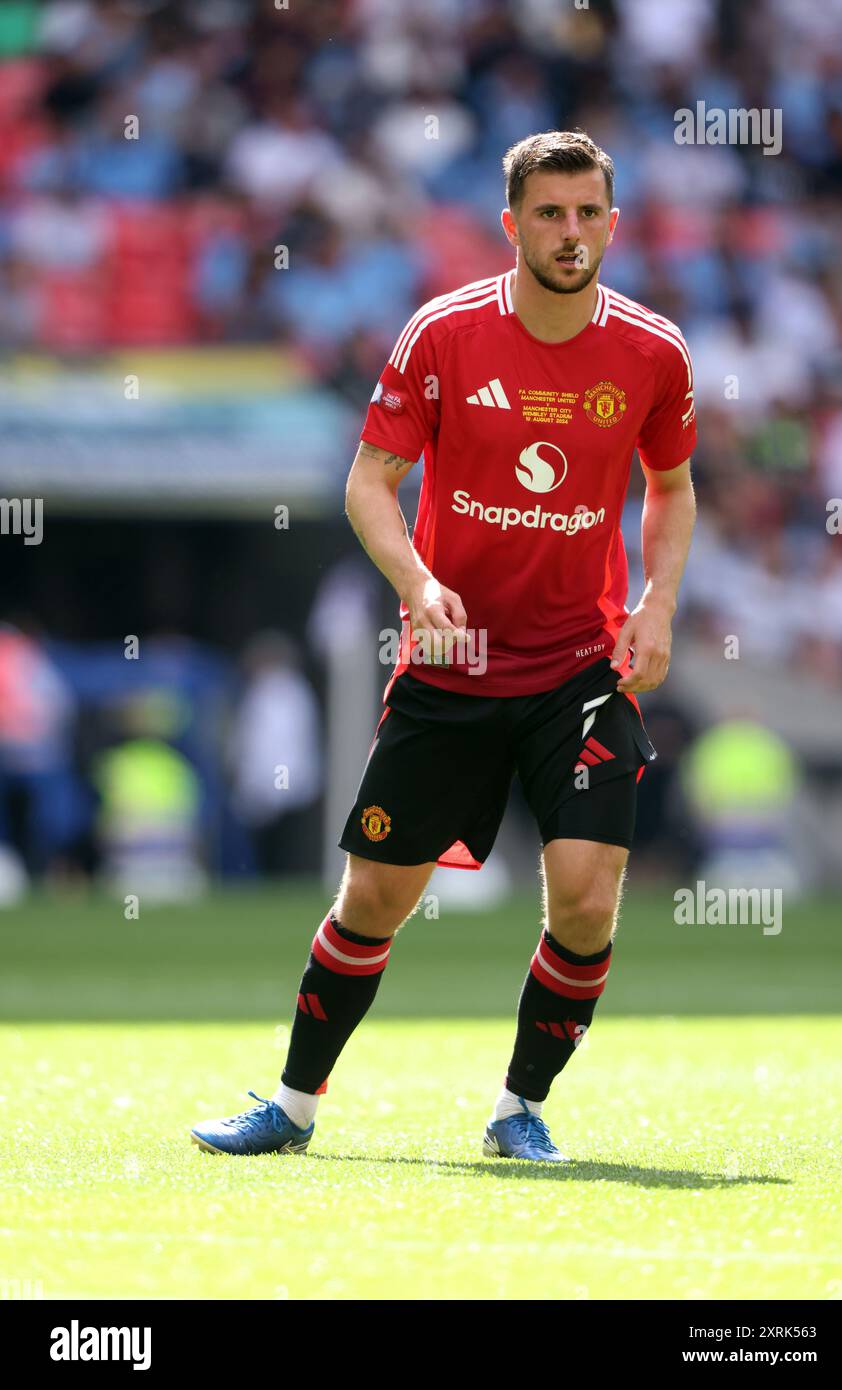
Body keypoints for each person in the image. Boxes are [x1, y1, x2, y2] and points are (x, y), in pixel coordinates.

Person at [191, 128, 697, 1163]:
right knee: (375, 898)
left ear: (612, 221)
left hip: (582, 669)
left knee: (589, 900)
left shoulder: (653, 351)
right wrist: (417, 584)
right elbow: (368, 482)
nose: (570, 232)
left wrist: (661, 602)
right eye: (549, 214)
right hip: (453, 665)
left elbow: (674, 485)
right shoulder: (443, 335)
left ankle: (519, 1109)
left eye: (588, 212)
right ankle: (292, 1103)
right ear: (510, 224)